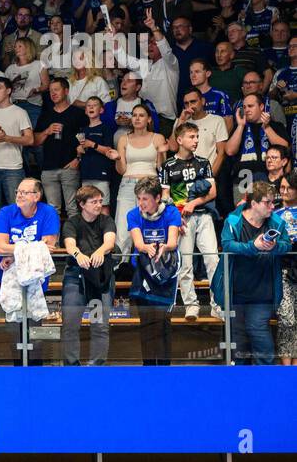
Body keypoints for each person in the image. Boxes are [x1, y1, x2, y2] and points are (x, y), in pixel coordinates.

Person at [215, 181, 291, 365]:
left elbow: (287, 245)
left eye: (273, 202)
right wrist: (253, 246)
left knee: (258, 329)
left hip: (263, 291)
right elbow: (227, 244)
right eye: (268, 202)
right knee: (238, 337)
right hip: (236, 290)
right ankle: (238, 380)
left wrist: (274, 246)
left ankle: (265, 379)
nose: (272, 207)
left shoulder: (277, 223)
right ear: (254, 204)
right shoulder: (233, 220)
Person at [0, 178, 61, 364]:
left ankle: (36, 370)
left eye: (25, 192)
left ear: (37, 196)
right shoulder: (6, 212)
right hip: (10, 277)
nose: (19, 195)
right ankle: (18, 369)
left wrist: (15, 252)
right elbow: (1, 246)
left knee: (35, 330)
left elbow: (49, 246)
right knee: (15, 331)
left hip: (36, 280)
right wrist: (32, 248)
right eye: (18, 191)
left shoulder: (48, 212)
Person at [160, 120, 220, 320]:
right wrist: (176, 218)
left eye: (197, 137)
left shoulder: (203, 163)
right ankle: (191, 305)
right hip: (182, 219)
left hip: (203, 216)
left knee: (213, 260)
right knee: (185, 263)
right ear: (179, 139)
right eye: (191, 137)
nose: (195, 141)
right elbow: (165, 197)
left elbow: (213, 192)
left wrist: (194, 203)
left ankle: (217, 304)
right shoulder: (168, 165)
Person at [60, 184, 119, 365]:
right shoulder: (72, 222)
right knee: (70, 324)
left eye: (100, 201)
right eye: (94, 202)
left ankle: (96, 365)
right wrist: (78, 255)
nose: (98, 205)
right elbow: (70, 245)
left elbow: (110, 241)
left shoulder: (106, 220)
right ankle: (71, 365)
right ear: (82, 204)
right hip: (76, 278)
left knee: (99, 326)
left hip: (99, 279)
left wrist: (100, 251)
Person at [127, 176, 182, 365]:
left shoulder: (171, 213)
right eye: (139, 198)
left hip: (165, 273)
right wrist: (147, 248)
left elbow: (173, 242)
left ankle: (165, 367)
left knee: (164, 322)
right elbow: (138, 243)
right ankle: (148, 366)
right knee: (147, 323)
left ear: (158, 197)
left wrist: (163, 247)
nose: (141, 203)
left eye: (145, 199)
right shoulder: (133, 215)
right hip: (143, 274)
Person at [114, 104, 169, 253]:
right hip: (128, 182)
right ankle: (121, 268)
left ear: (149, 119)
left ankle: (151, 265)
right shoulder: (123, 139)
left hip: (150, 184)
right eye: (134, 115)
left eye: (141, 115)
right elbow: (122, 170)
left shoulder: (157, 137)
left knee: (150, 224)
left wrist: (162, 153)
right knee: (123, 227)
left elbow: (161, 168)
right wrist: (118, 158)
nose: (137, 118)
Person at [33, 77, 87, 218]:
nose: (53, 94)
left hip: (70, 166)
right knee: (52, 210)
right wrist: (47, 131)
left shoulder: (78, 113)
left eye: (56, 90)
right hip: (48, 168)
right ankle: (53, 240)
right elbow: (35, 141)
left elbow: (86, 140)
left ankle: (72, 240)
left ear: (66, 91)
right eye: (51, 91)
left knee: (73, 209)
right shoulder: (45, 114)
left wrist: (78, 160)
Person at [0, 76, 34, 219]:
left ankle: (19, 240)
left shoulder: (19, 112)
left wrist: (7, 138)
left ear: (9, 90)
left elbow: (30, 139)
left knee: (18, 206)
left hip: (14, 167)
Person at [273, 173, 297, 364]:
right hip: (282, 269)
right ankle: (286, 366)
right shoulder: (273, 214)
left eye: (288, 187)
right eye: (281, 187)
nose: (284, 191)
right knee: (287, 320)